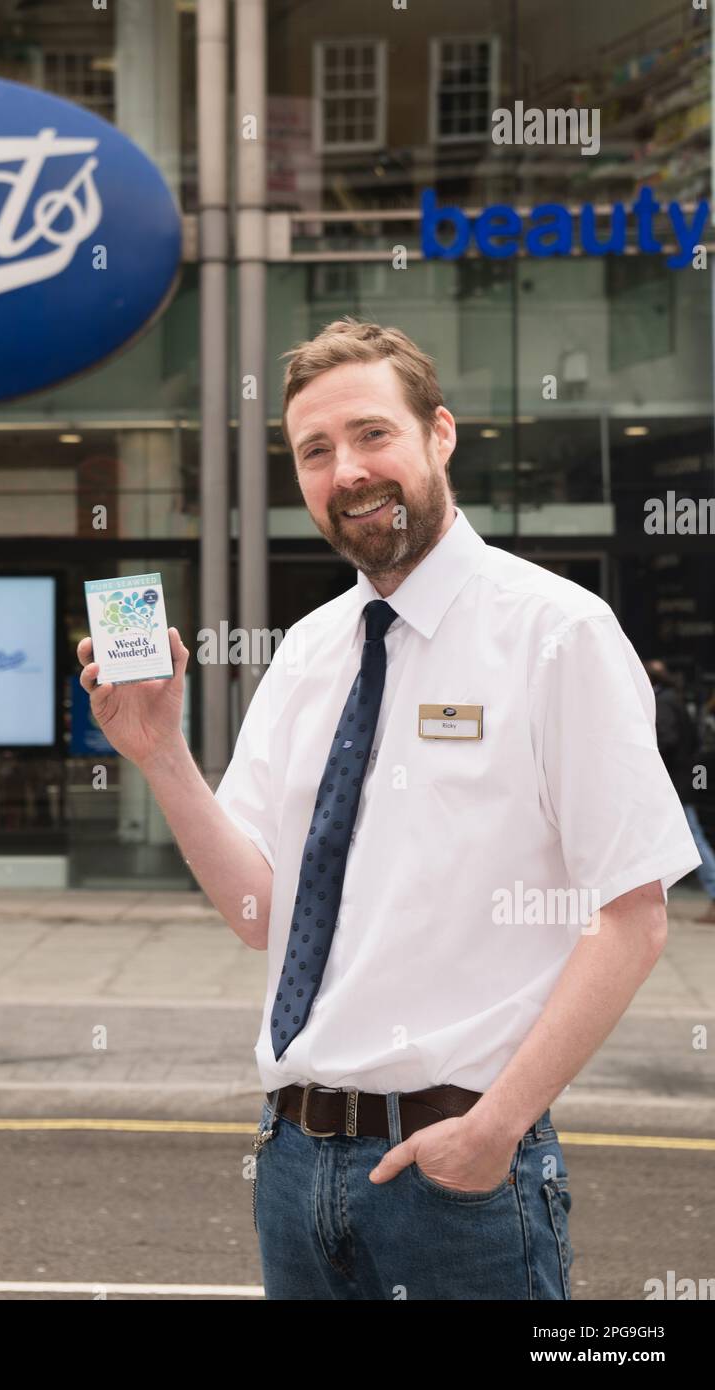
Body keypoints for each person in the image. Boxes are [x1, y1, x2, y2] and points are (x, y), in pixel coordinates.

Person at [78, 317, 701, 1301]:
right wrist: (159, 758)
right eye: (315, 451)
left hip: (456, 1181)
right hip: (291, 1166)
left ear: (438, 435)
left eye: (372, 434)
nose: (347, 470)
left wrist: (494, 1128)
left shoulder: (556, 632)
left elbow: (632, 913)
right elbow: (259, 918)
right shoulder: (307, 653)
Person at [644, 659, 715, 924]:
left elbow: (666, 740)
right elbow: (694, 741)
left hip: (675, 783)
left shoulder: (662, 703)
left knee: (693, 837)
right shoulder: (676, 700)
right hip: (685, 779)